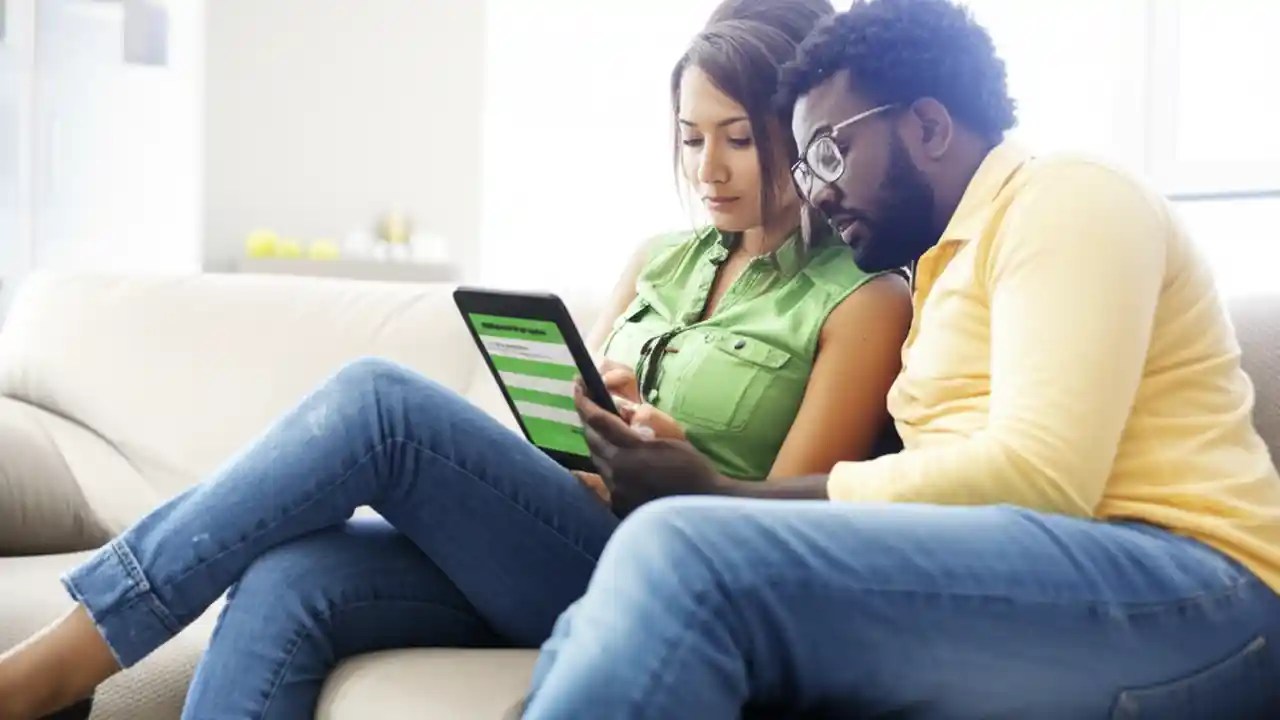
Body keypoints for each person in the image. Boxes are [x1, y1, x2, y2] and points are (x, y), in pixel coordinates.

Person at [0, 2, 914, 718]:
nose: (709, 167)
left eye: (739, 138)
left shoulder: (864, 302)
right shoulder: (657, 262)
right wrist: (592, 436)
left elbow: (791, 539)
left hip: (670, 573)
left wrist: (679, 469)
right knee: (292, 575)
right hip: (566, 538)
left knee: (378, 405)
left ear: (796, 132)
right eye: (691, 137)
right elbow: (568, 432)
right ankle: (69, 669)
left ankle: (60, 666)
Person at [521, 0, 1280, 717]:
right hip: (1045, 577)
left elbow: (1043, 476)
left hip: (1199, 590)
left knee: (681, 542)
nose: (815, 192)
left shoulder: (1068, 196)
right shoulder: (939, 274)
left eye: (827, 151)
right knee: (659, 589)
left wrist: (723, 494)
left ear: (927, 127)